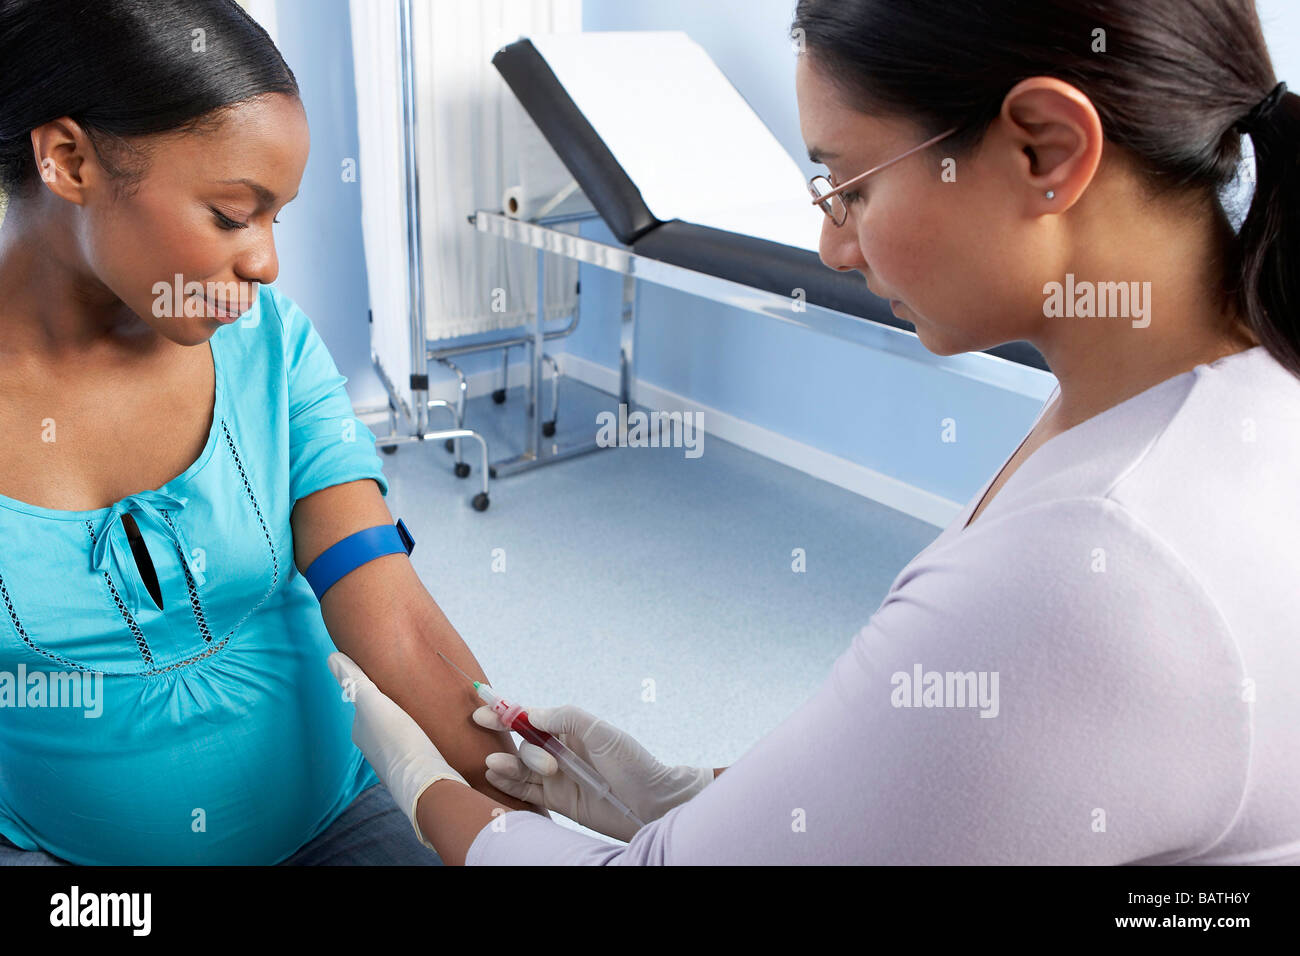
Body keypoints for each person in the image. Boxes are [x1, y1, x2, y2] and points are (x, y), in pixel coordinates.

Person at [331, 0, 1300, 864]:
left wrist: (432, 795)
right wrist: (694, 799)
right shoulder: (1213, 395)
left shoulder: (1093, 560)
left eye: (850, 185)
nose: (833, 245)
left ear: (1044, 149)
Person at [0, 0, 535, 866]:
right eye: (230, 214)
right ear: (68, 160)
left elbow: (383, 603)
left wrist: (533, 790)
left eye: (275, 216)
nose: (266, 262)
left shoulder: (267, 342)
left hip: (341, 818)